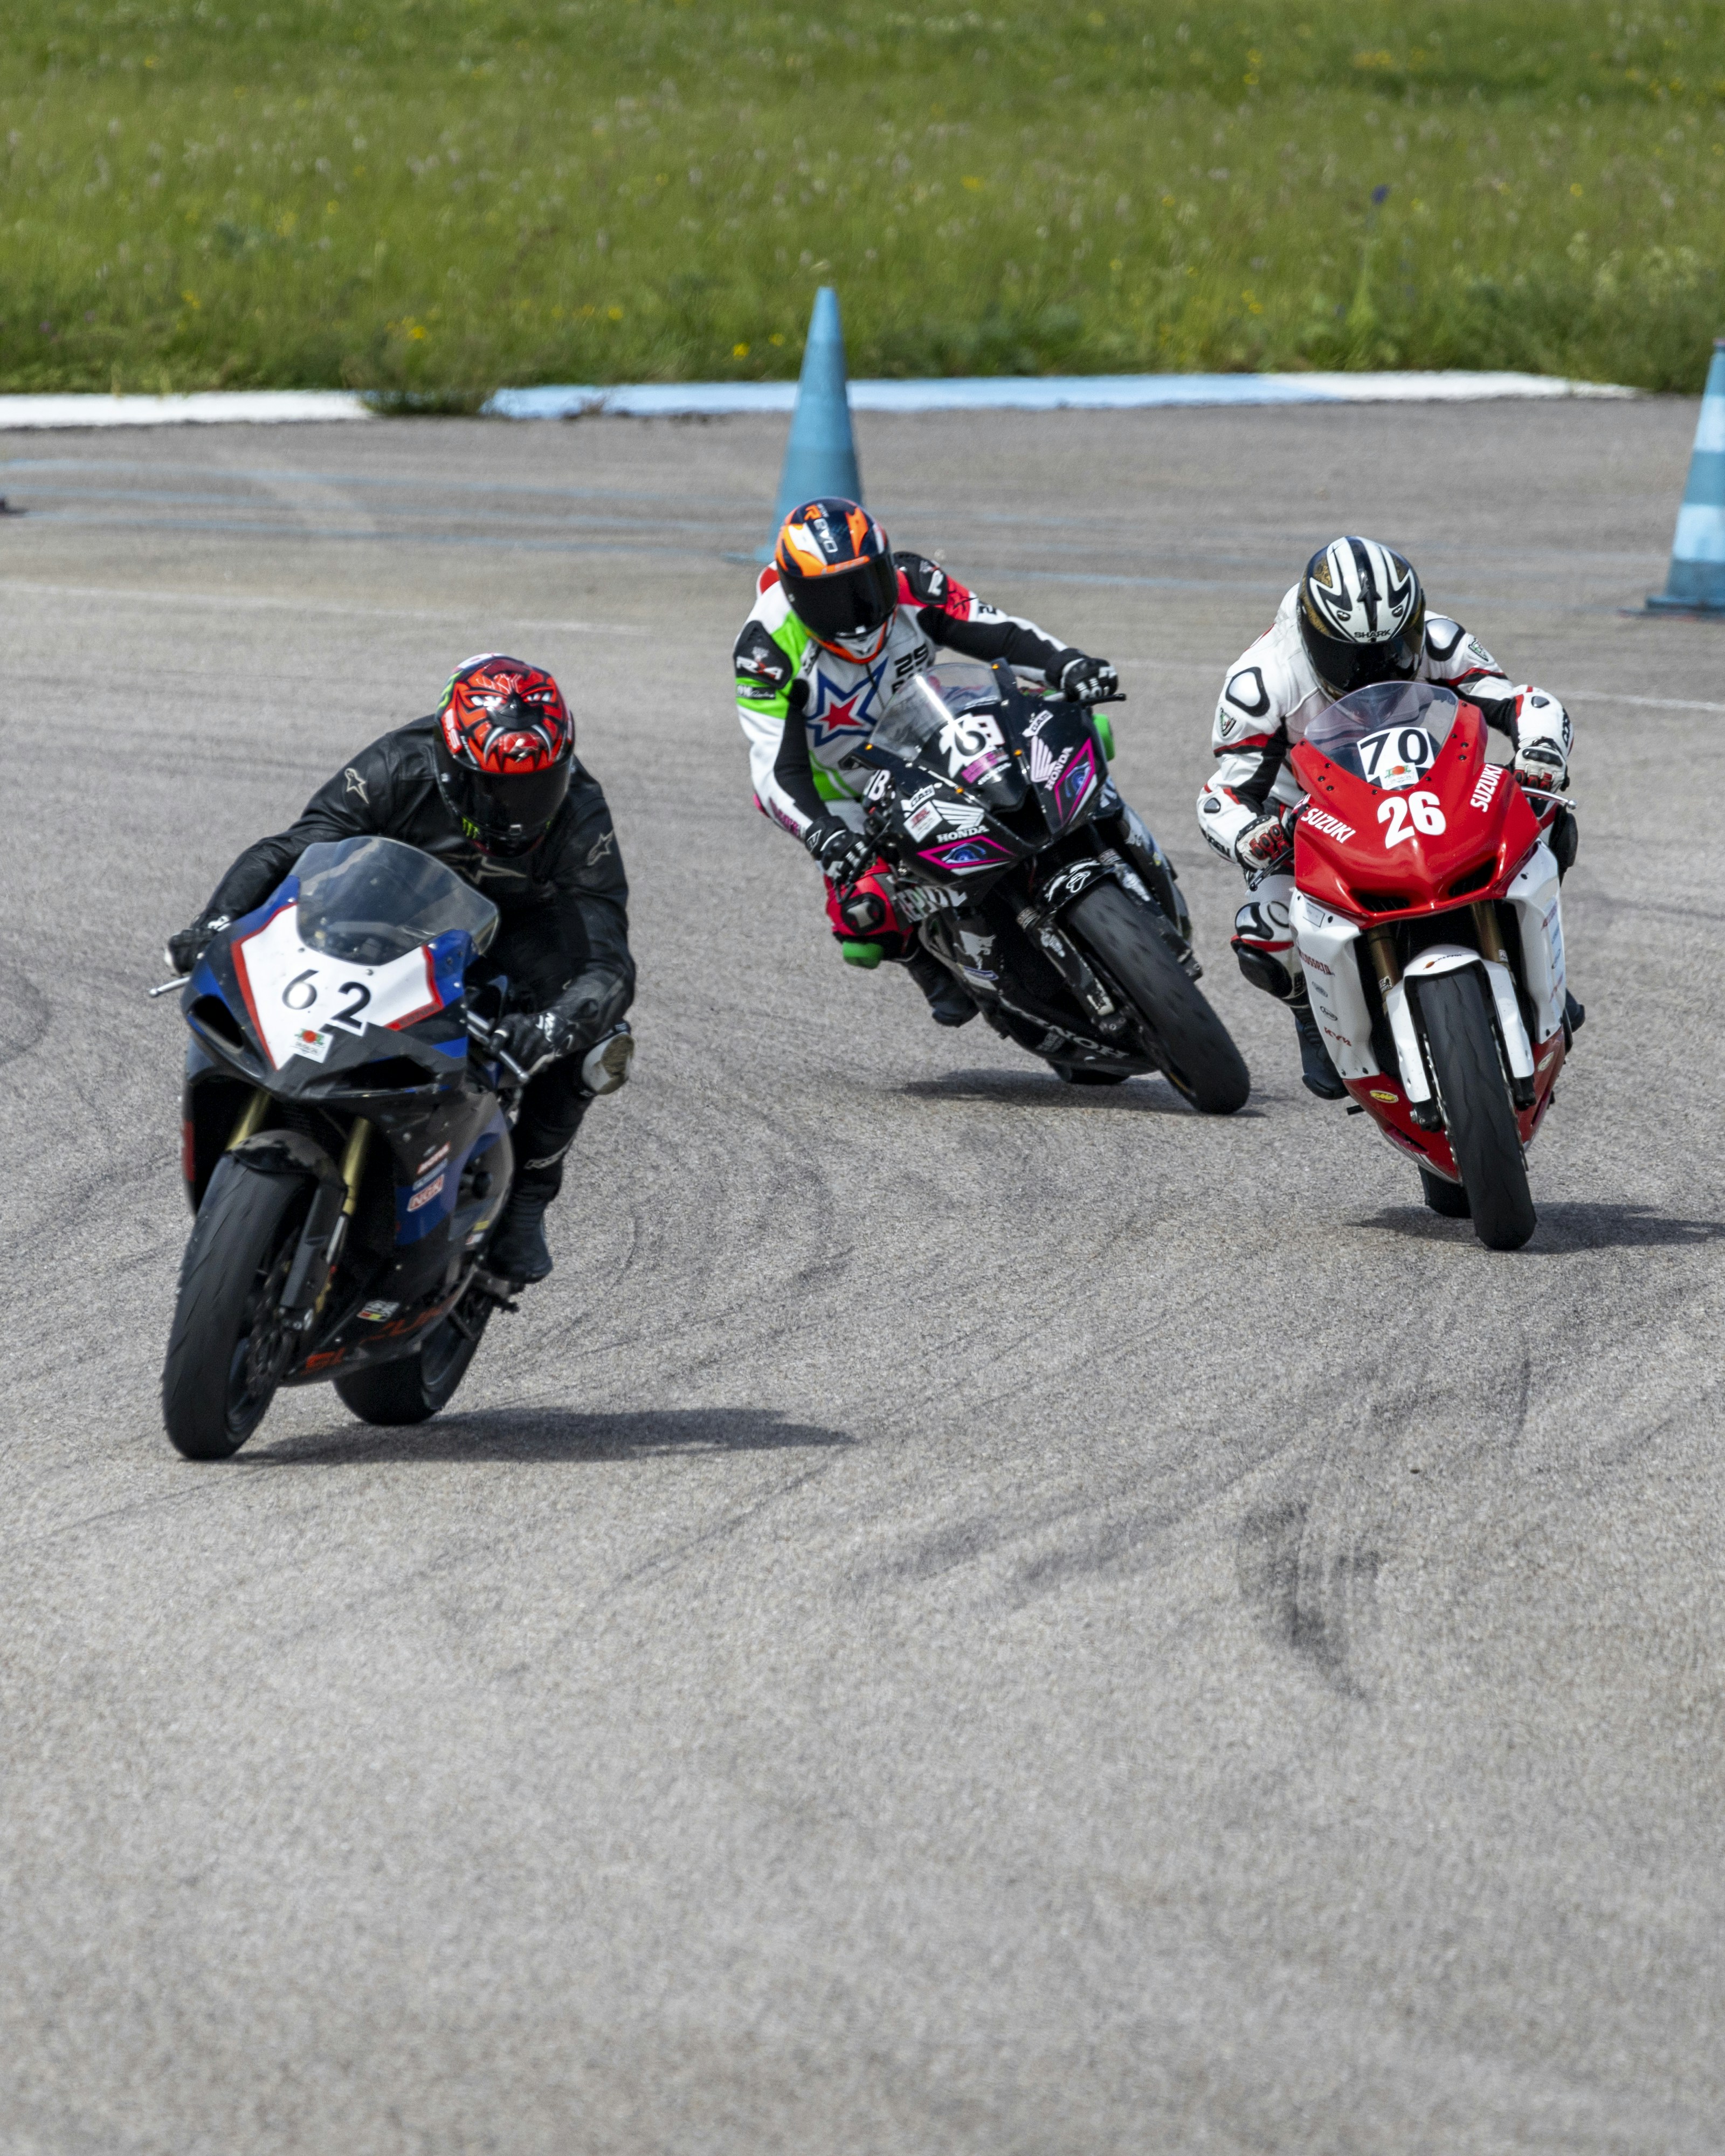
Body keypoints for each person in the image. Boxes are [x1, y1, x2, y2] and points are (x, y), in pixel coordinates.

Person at [165, 654, 635, 1284]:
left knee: (597, 1042)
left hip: (522, 936)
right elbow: (293, 848)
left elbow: (607, 955)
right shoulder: (395, 765)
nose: (519, 807)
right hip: (401, 907)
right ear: (450, 762)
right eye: (496, 786)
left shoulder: (579, 813)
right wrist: (216, 922)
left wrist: (550, 1026)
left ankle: (527, 1195)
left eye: (537, 784)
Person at [1196, 536, 1577, 1099]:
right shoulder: (1261, 682)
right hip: (1308, 822)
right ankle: (1311, 1010)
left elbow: (1523, 702)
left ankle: (1537, 957)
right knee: (1265, 936)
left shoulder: (1438, 639)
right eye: (1348, 656)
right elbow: (1218, 797)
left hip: (1435, 789)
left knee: (1546, 818)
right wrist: (1252, 836)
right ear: (1310, 634)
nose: (1371, 670)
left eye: (1392, 649)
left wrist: (1540, 751)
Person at [733, 496, 1123, 1025]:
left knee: (1073, 739)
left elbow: (998, 633)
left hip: (932, 736)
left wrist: (1068, 664)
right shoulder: (765, 649)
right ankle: (925, 961)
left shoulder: (913, 581)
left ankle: (1121, 850)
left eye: (863, 584)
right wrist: (821, 831)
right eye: (831, 598)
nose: (852, 613)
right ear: (795, 594)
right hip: (841, 792)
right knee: (863, 915)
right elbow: (775, 770)